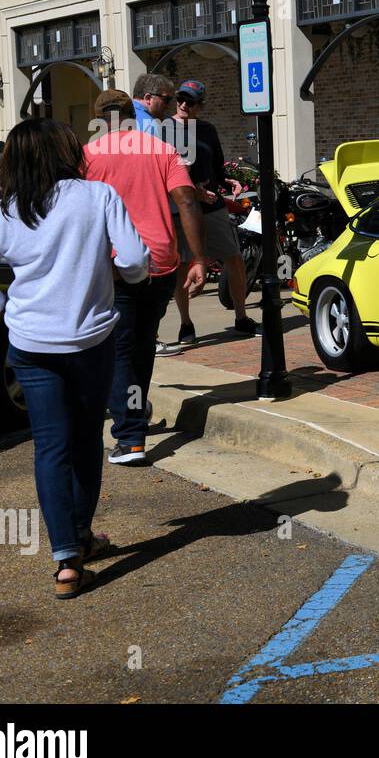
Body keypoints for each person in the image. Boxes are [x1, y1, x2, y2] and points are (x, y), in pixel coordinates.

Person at [0, 119, 149, 599]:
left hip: (32, 346)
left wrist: (0, 311)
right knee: (86, 441)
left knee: (50, 448)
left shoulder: (0, 213)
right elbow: (138, 261)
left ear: (12, 159)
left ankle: (65, 559)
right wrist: (114, 274)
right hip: (90, 341)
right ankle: (80, 536)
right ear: (66, 153)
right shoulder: (96, 197)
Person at [83, 89, 208, 464]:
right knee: (141, 346)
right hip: (161, 263)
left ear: (99, 120)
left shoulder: (88, 156)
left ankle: (130, 435)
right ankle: (135, 410)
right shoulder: (162, 149)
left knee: (117, 350)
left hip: (115, 265)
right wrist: (199, 258)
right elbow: (186, 200)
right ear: (130, 114)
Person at [167, 79, 257, 344]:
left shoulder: (207, 129)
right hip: (181, 206)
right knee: (183, 265)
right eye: (180, 99)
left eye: (190, 101)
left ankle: (241, 316)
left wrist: (228, 180)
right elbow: (163, 171)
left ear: (200, 105)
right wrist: (194, 190)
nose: (184, 104)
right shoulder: (163, 130)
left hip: (211, 204)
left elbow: (216, 166)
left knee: (234, 257)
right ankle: (186, 324)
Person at [131, 73, 175, 137]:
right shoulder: (150, 126)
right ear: (148, 98)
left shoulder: (119, 117)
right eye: (166, 99)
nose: (168, 105)